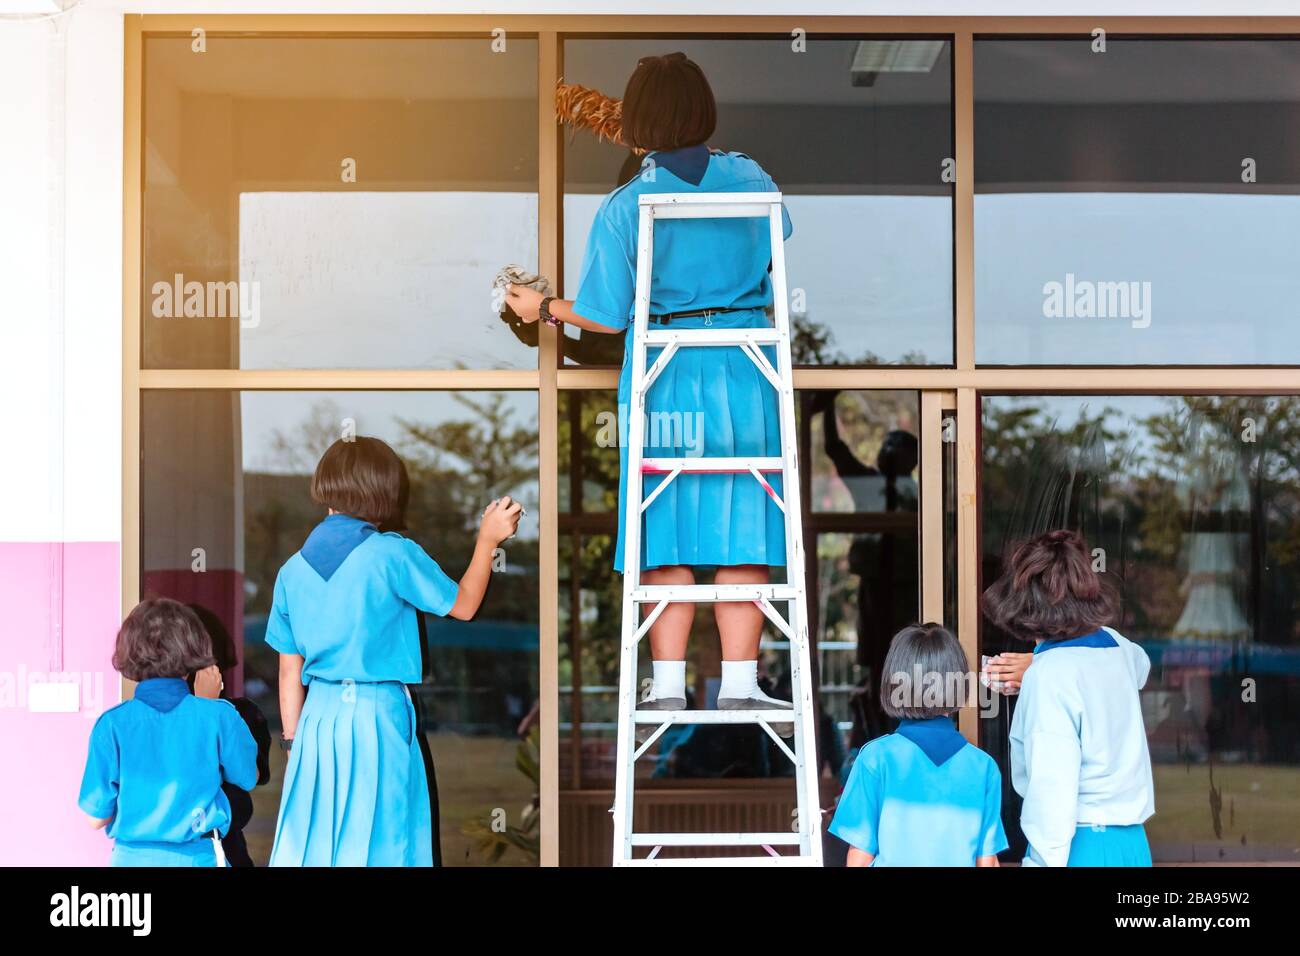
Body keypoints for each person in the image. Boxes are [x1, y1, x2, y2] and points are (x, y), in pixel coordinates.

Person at [506, 52, 793, 722]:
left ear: (634, 122)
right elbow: (776, 240)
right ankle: (741, 678)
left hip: (668, 374)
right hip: (747, 369)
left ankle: (666, 680)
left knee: (666, 523)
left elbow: (605, 316)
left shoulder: (627, 204)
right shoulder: (751, 178)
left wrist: (543, 308)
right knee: (742, 522)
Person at [266, 436, 521, 866]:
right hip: (375, 714)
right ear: (383, 490)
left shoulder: (291, 571)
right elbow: (463, 605)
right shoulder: (392, 554)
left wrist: (293, 744)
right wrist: (487, 540)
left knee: (316, 847)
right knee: (384, 842)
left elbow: (289, 672)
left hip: (315, 722)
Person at [981, 529, 1155, 867]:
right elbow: (1141, 666)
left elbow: (1052, 793)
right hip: (1133, 846)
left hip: (1080, 846)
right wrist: (1039, 663)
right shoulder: (1117, 647)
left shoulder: (1048, 677)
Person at [78, 599, 259, 866]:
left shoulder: (112, 725)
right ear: (193, 651)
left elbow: (96, 818)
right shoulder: (219, 715)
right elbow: (248, 778)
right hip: (200, 857)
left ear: (130, 651)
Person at [828, 623, 1006, 867]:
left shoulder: (875, 758)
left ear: (893, 683)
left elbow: (859, 858)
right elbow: (987, 862)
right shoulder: (983, 767)